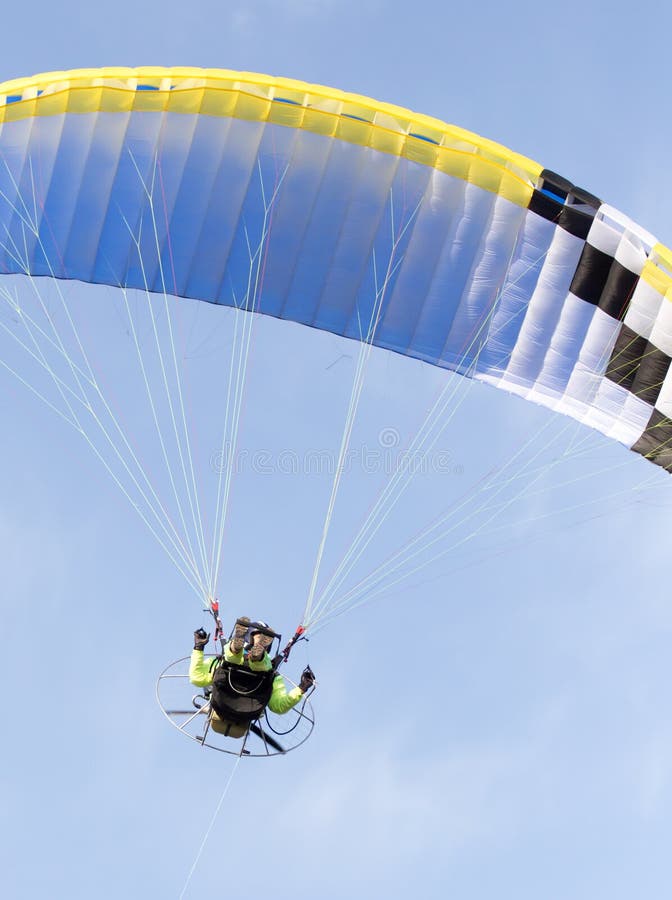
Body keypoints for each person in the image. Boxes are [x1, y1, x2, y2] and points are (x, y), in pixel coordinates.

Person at [189, 617, 314, 738]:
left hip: (223, 697)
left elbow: (196, 677)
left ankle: (235, 649)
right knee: (262, 669)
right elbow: (278, 706)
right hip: (252, 700)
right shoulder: (274, 676)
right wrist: (302, 688)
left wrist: (198, 647)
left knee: (229, 661)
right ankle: (257, 657)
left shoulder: (217, 662)